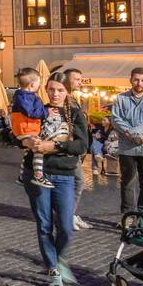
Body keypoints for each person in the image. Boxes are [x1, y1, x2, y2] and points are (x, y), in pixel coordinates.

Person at [20, 74, 89, 286]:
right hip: (39, 173)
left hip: (64, 175)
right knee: (45, 224)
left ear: (67, 91)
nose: (55, 94)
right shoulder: (37, 110)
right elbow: (17, 133)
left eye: (60, 90)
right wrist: (27, 140)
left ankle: (58, 259)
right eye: (51, 89)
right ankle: (53, 270)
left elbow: (82, 145)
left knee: (66, 227)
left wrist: (55, 147)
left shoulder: (75, 114)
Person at [110, 67, 143, 215]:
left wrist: (133, 132)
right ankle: (127, 216)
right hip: (127, 148)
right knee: (127, 182)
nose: (139, 83)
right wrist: (131, 134)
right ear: (130, 80)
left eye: (142, 80)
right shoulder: (121, 98)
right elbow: (116, 119)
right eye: (136, 79)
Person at [63, 68, 92, 230]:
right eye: (77, 79)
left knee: (75, 182)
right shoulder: (66, 99)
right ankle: (67, 215)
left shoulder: (74, 98)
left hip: (78, 147)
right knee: (78, 182)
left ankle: (70, 214)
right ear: (67, 80)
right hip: (72, 148)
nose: (80, 82)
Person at [10, 68, 50, 186]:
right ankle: (38, 176)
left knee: (28, 153)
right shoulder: (24, 97)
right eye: (39, 83)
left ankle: (22, 177)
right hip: (26, 129)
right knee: (38, 150)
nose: (40, 85)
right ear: (32, 84)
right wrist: (47, 112)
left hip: (27, 128)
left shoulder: (25, 96)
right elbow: (31, 112)